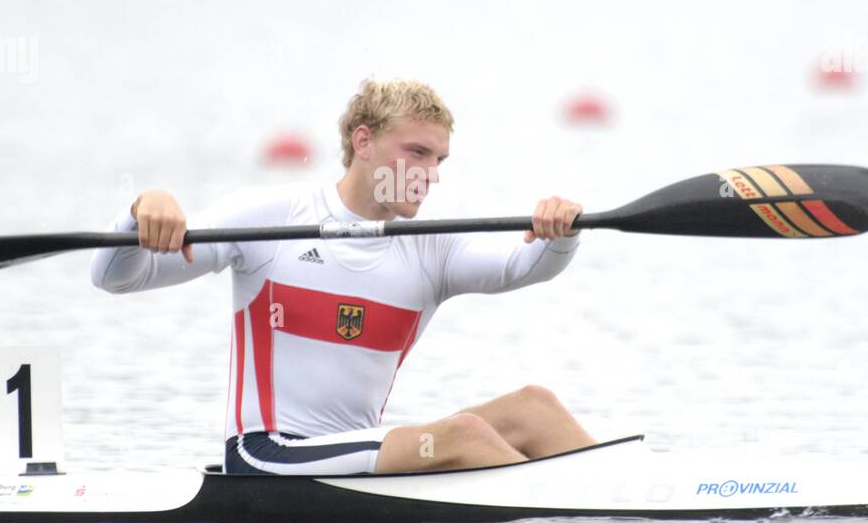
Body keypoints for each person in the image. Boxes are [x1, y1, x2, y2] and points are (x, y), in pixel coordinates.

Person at [90, 78, 595, 475]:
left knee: (535, 407)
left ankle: (628, 500)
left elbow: (523, 266)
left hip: (356, 458)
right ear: (363, 142)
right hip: (270, 456)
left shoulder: (432, 249)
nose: (431, 175)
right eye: (417, 153)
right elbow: (115, 278)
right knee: (464, 435)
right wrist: (141, 209)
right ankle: (561, 519)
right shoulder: (273, 216)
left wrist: (560, 233)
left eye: (438, 160)